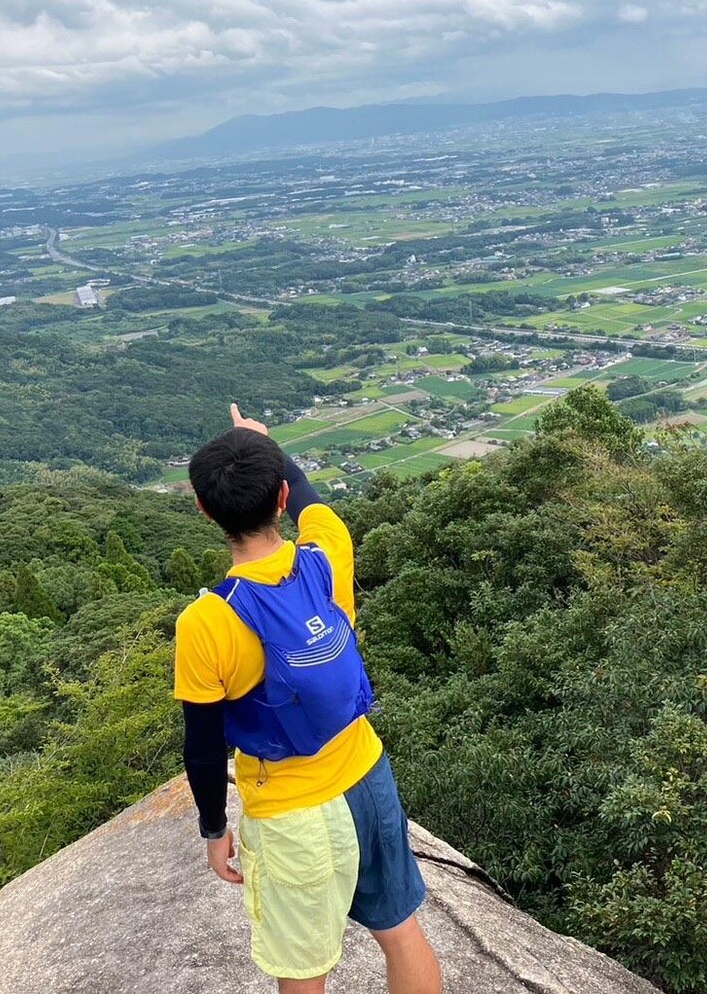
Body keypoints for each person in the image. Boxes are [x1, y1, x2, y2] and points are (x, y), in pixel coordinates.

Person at [174, 403, 443, 994]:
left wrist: (214, 830)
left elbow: (203, 745)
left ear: (203, 509)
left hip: (292, 810)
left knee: (303, 974)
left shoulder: (207, 621)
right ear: (279, 498)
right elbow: (308, 496)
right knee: (402, 934)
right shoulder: (328, 552)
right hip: (367, 775)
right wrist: (263, 445)